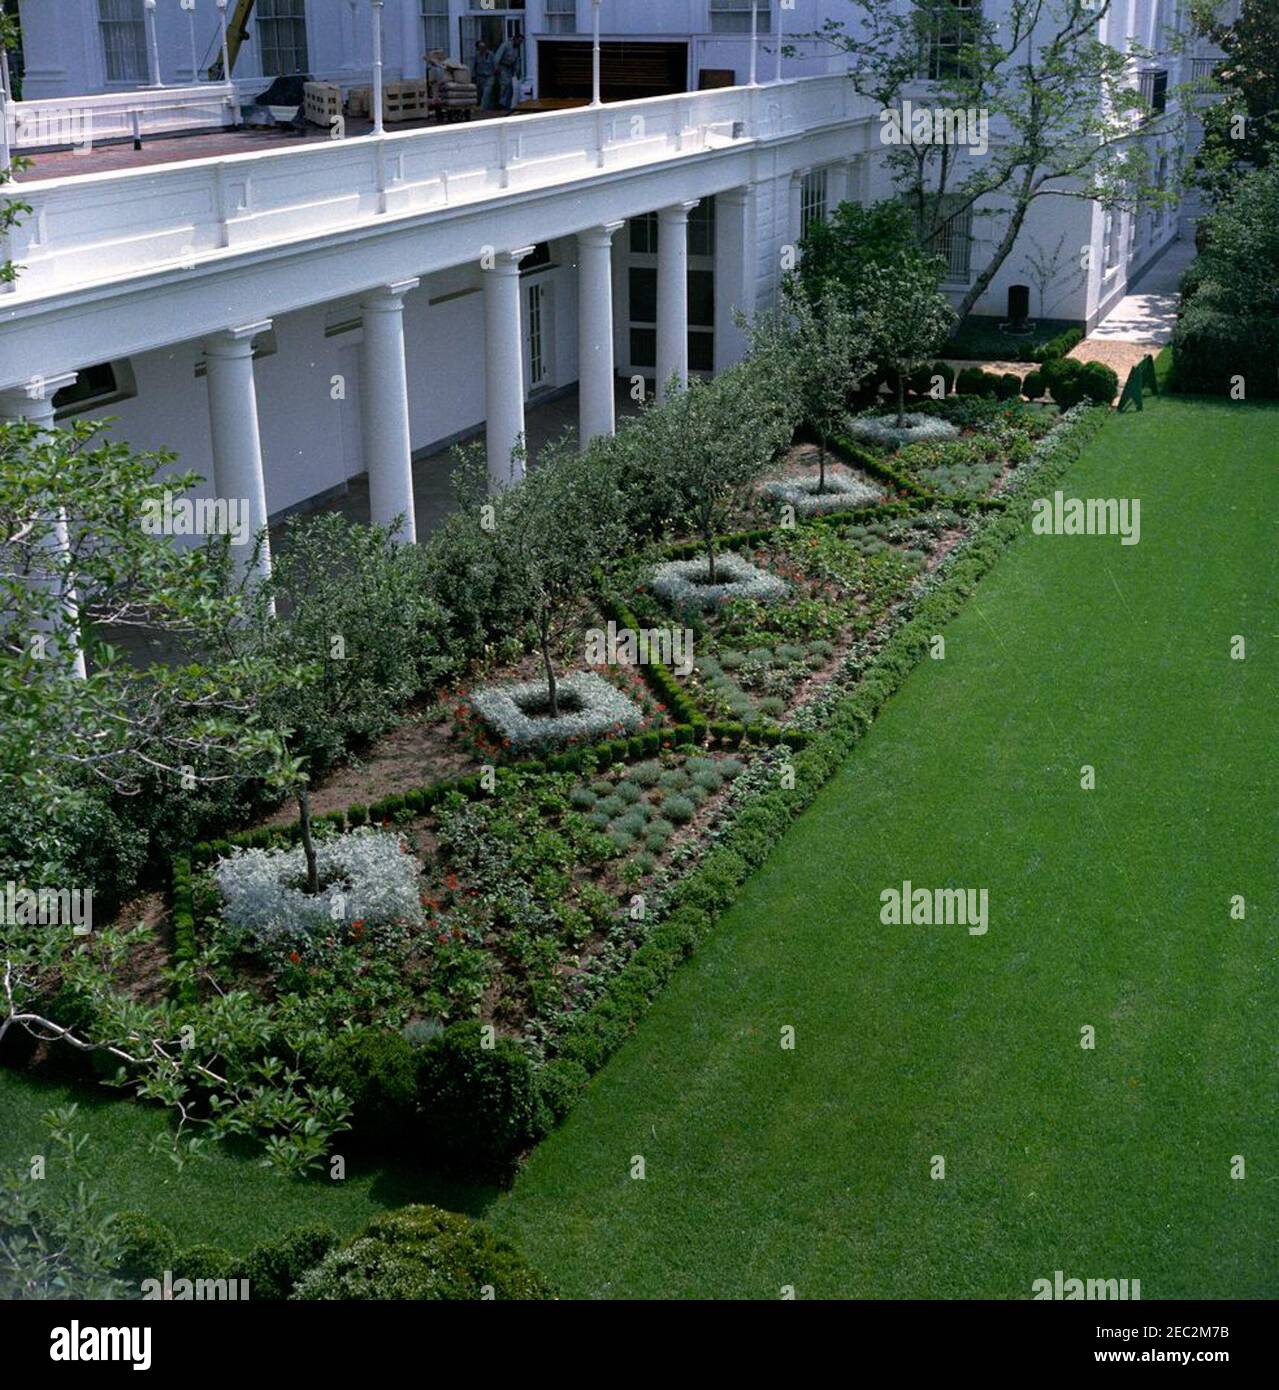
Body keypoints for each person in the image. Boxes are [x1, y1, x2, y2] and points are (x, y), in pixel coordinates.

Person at [493, 33, 524, 113]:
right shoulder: (505, 45)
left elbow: (517, 60)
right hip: (502, 67)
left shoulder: (516, 48)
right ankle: (502, 103)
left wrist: (517, 71)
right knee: (505, 84)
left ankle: (508, 105)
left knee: (510, 87)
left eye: (521, 42)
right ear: (515, 39)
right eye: (519, 41)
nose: (519, 43)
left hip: (510, 68)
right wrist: (496, 67)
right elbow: (498, 56)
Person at [473, 40, 498, 111]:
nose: (482, 49)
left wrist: (495, 73)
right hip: (480, 76)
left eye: (483, 47)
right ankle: (485, 107)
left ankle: (482, 108)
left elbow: (495, 65)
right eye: (480, 47)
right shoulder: (476, 55)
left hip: (489, 76)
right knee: (480, 93)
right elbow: (474, 66)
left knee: (487, 91)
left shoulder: (491, 54)